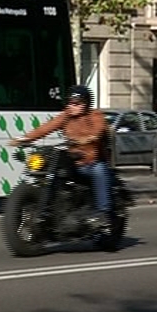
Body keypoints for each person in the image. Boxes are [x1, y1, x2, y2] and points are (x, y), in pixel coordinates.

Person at [8, 84, 111, 227]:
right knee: (53, 170)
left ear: (86, 103)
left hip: (90, 161)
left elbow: (99, 130)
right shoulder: (66, 116)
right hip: (73, 161)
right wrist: (25, 139)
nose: (72, 106)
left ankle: (103, 213)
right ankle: (53, 210)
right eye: (70, 102)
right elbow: (46, 127)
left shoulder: (95, 115)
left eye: (77, 103)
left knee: (99, 171)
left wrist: (89, 138)